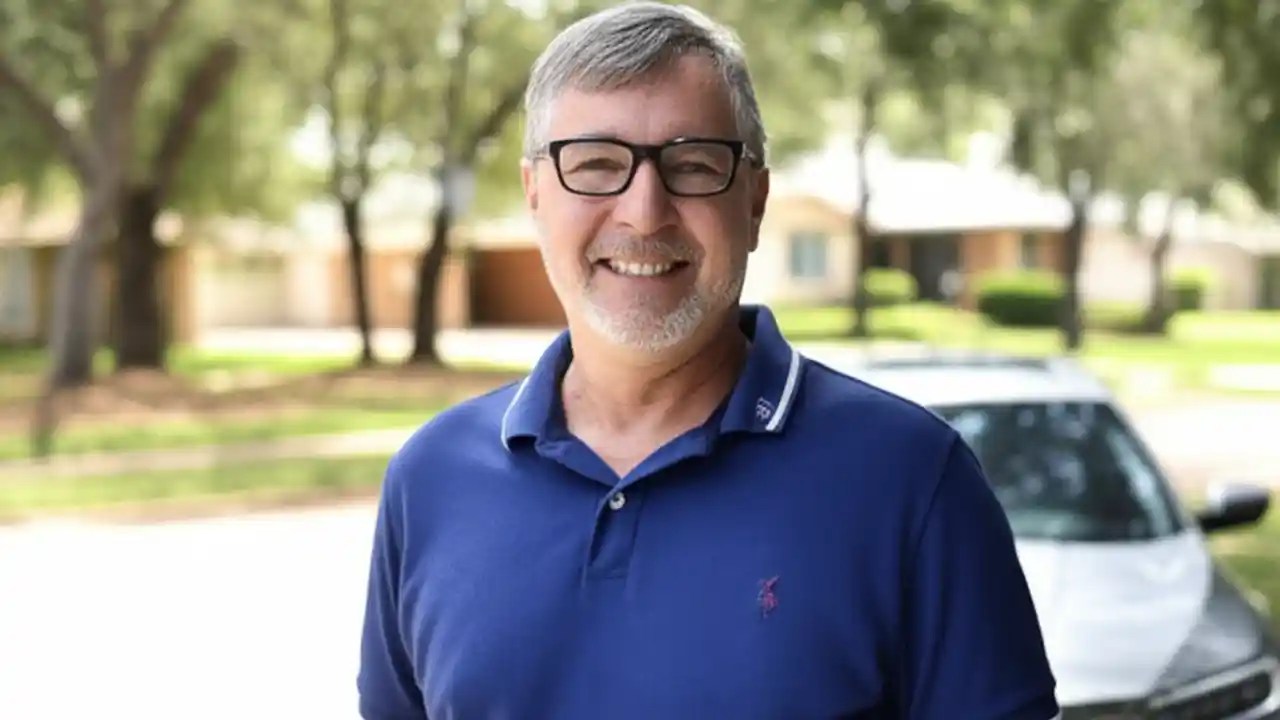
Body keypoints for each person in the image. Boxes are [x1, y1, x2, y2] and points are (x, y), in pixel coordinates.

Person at [357, 3, 1060, 718]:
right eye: (596, 164)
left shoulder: (912, 481)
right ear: (534, 192)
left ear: (754, 201)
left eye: (693, 166)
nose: (644, 212)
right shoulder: (430, 480)